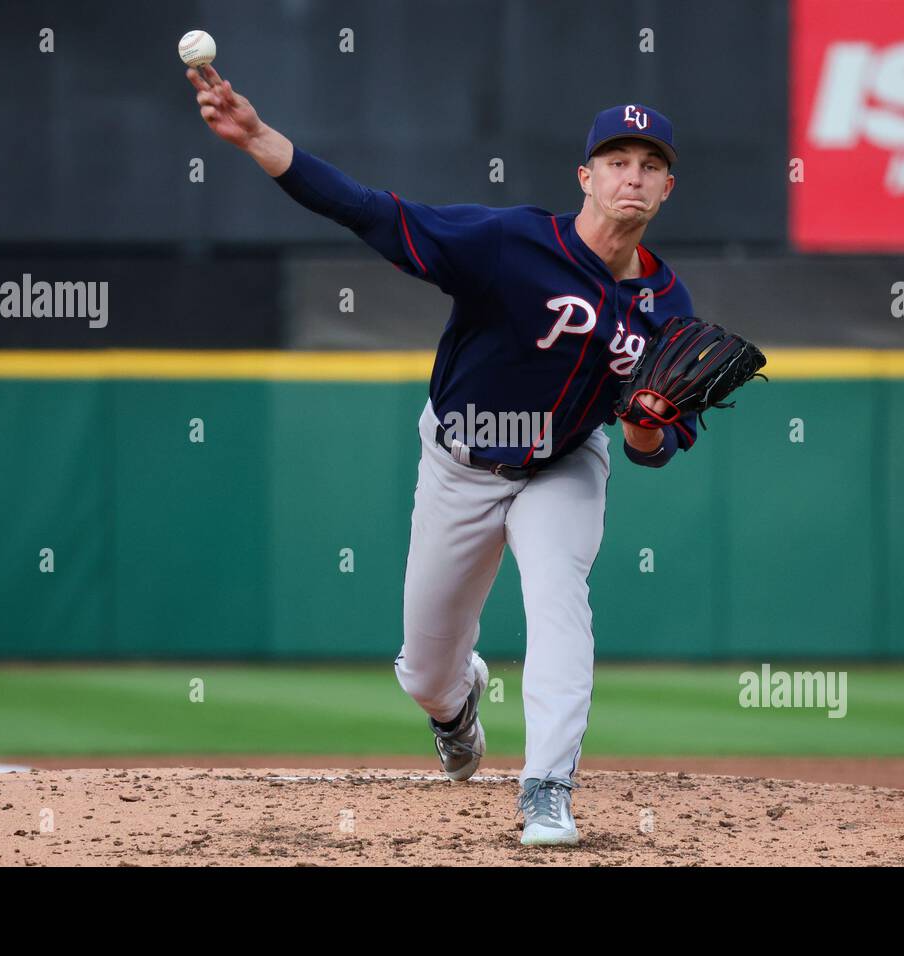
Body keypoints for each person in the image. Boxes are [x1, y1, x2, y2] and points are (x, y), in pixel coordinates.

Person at [189, 66, 700, 846]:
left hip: (562, 464)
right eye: (618, 161)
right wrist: (260, 139)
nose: (634, 176)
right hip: (460, 464)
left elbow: (655, 449)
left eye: (651, 165)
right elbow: (371, 212)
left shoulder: (669, 308)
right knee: (424, 672)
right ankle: (456, 706)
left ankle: (548, 789)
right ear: (586, 177)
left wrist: (644, 428)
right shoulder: (510, 243)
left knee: (559, 600)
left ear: (667, 187)